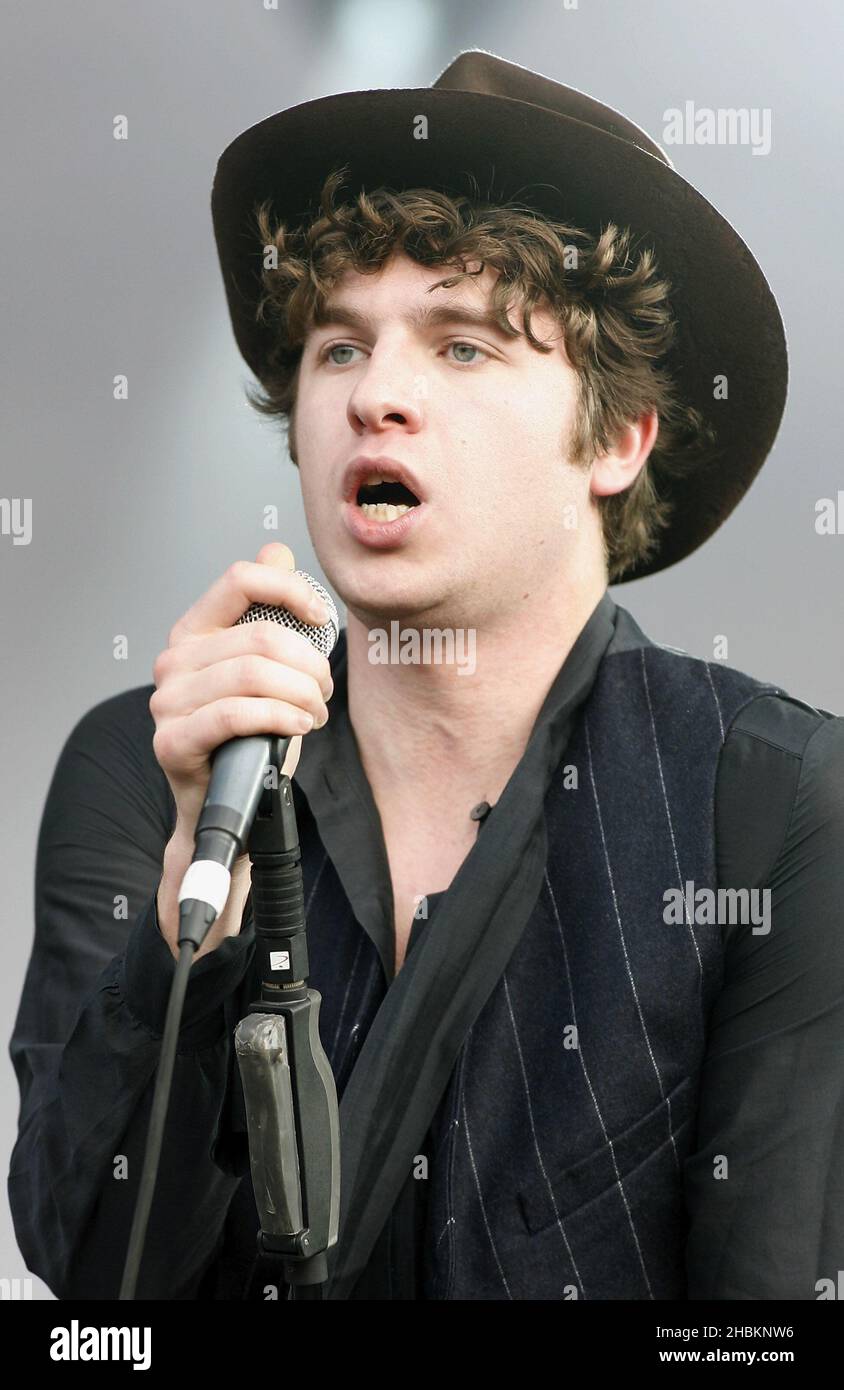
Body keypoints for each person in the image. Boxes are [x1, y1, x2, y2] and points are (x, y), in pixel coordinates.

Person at [8, 50, 844, 1301]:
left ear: (616, 436)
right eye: (338, 349)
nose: (375, 396)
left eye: (460, 347)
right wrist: (204, 895)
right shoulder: (144, 772)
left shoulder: (774, 803)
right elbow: (96, 1284)